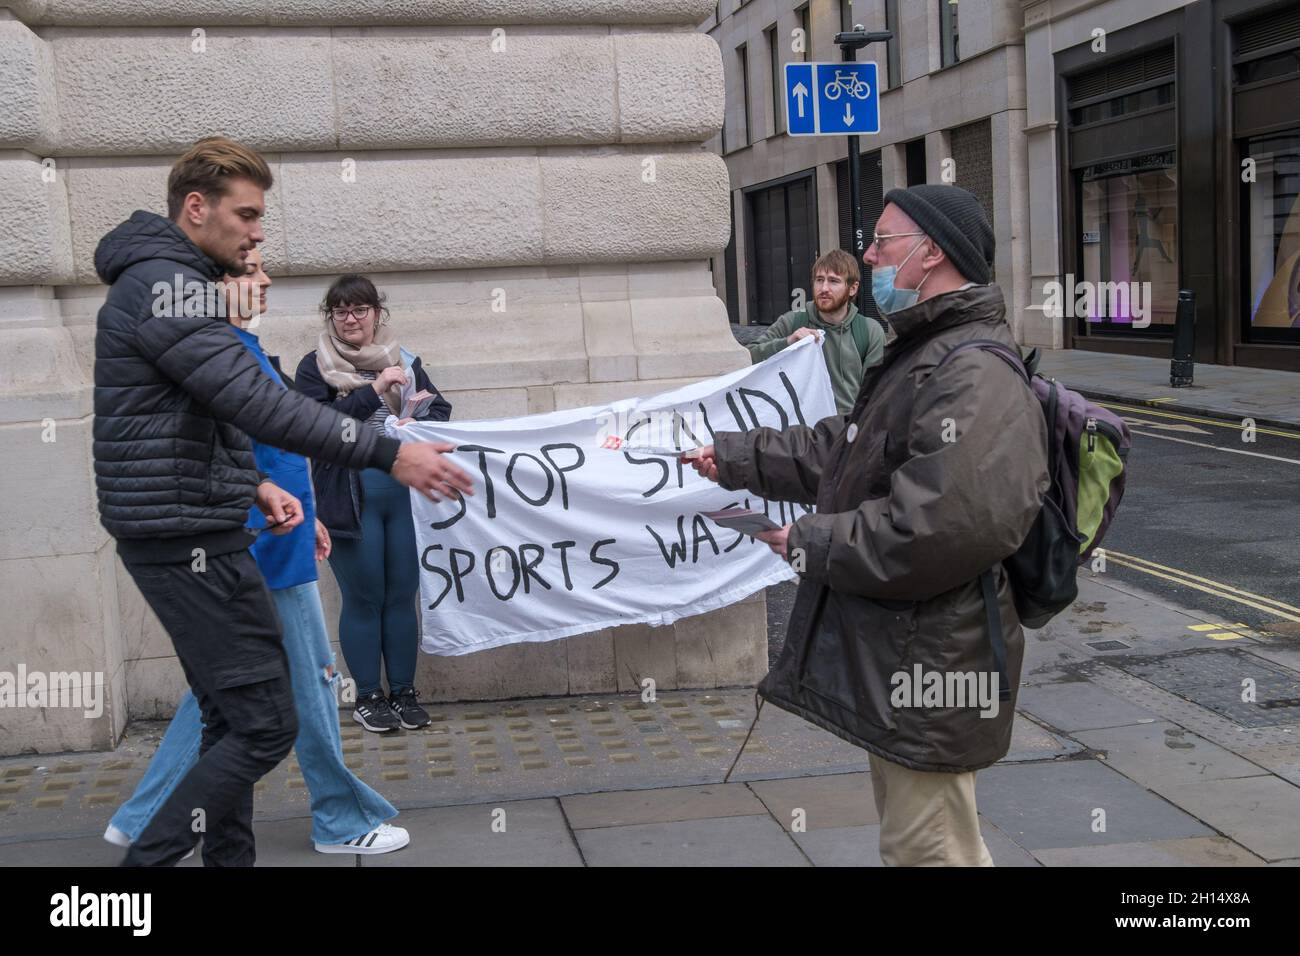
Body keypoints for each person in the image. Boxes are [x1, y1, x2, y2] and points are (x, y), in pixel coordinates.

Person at [93, 136, 473, 867]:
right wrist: (391, 452)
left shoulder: (178, 282)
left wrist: (252, 485)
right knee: (266, 726)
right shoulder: (167, 287)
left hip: (196, 524)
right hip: (183, 539)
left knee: (224, 720)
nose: (259, 233)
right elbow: (263, 406)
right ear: (197, 209)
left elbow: (196, 416)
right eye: (247, 214)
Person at [689, 185, 1049, 866]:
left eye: (883, 242)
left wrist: (806, 541)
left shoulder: (969, 369)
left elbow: (937, 526)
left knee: (931, 851)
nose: (869, 254)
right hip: (907, 651)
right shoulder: (925, 349)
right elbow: (845, 447)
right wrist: (734, 458)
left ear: (932, 251)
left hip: (937, 661)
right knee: (917, 845)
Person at [103, 249, 409, 856]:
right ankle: (340, 819)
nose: (266, 281)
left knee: (217, 697)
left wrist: (310, 518)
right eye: (251, 272)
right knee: (314, 687)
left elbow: (264, 454)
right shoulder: (224, 353)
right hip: (263, 545)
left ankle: (143, 817)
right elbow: (278, 434)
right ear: (214, 286)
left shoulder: (233, 349)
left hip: (278, 535)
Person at [295, 276, 452, 734]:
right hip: (349, 496)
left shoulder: (407, 360)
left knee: (402, 594)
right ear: (331, 318)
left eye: (360, 309)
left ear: (376, 314)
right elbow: (314, 427)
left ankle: (403, 690)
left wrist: (417, 413)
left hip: (404, 497)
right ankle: (368, 695)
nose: (350, 319)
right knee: (365, 597)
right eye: (341, 311)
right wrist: (374, 389)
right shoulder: (314, 366)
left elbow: (441, 412)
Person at [744, 249, 885, 414]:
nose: (824, 288)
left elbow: (876, 394)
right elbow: (748, 357)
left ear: (852, 288)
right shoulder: (792, 321)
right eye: (819, 280)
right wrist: (788, 342)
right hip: (799, 428)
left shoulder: (869, 331)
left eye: (833, 281)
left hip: (846, 427)